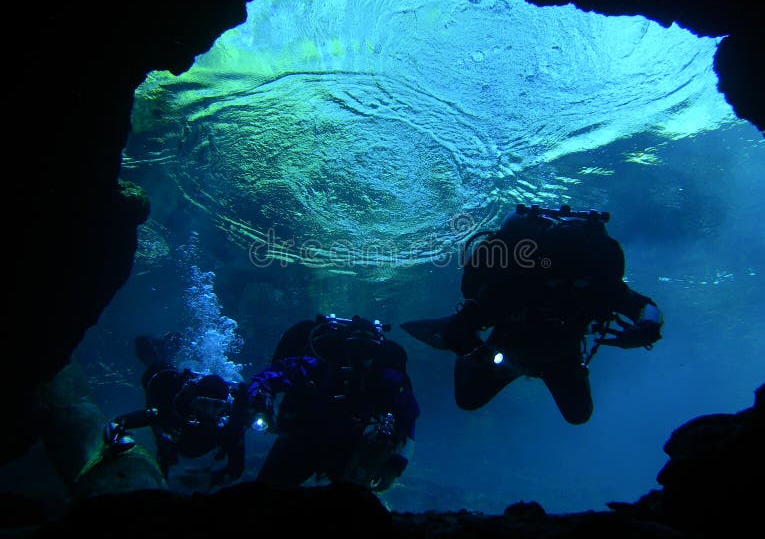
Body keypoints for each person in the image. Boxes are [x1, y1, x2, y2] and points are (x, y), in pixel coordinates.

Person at [401, 204, 664, 424]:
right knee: (468, 400)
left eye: (579, 278)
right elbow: (460, 330)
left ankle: (486, 358)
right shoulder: (519, 280)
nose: (570, 285)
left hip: (561, 354)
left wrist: (648, 328)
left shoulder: (600, 282)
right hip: (508, 352)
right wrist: (480, 354)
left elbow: (645, 308)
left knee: (579, 415)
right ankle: (475, 363)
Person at [247, 314, 420, 492]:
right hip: (301, 441)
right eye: (355, 348)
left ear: (377, 352)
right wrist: (261, 401)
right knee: (266, 494)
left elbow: (407, 418)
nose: (360, 358)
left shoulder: (388, 379)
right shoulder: (316, 366)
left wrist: (395, 466)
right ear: (343, 347)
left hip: (348, 449)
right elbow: (267, 378)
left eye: (367, 350)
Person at [103, 333, 252, 489]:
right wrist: (117, 435)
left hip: (187, 441)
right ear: (193, 401)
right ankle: (158, 346)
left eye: (217, 406)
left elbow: (236, 470)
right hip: (163, 385)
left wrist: (210, 479)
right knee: (156, 366)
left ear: (226, 407)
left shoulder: (231, 425)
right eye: (203, 403)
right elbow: (122, 422)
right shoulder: (175, 407)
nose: (208, 411)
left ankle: (167, 349)